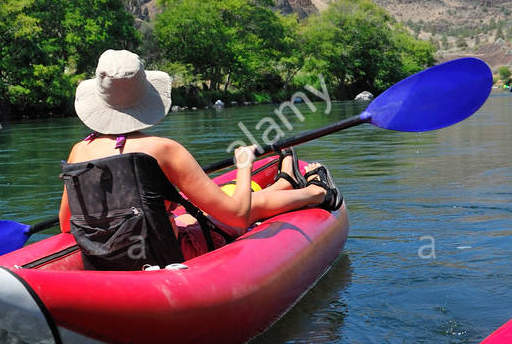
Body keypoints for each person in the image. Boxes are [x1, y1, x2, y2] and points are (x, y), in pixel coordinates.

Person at [59, 50, 341, 268]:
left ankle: (286, 183)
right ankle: (317, 192)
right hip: (173, 255)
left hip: (120, 258)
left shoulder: (78, 152)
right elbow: (237, 216)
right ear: (145, 97)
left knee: (191, 213)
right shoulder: (164, 149)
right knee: (234, 207)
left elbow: (66, 224)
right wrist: (244, 166)